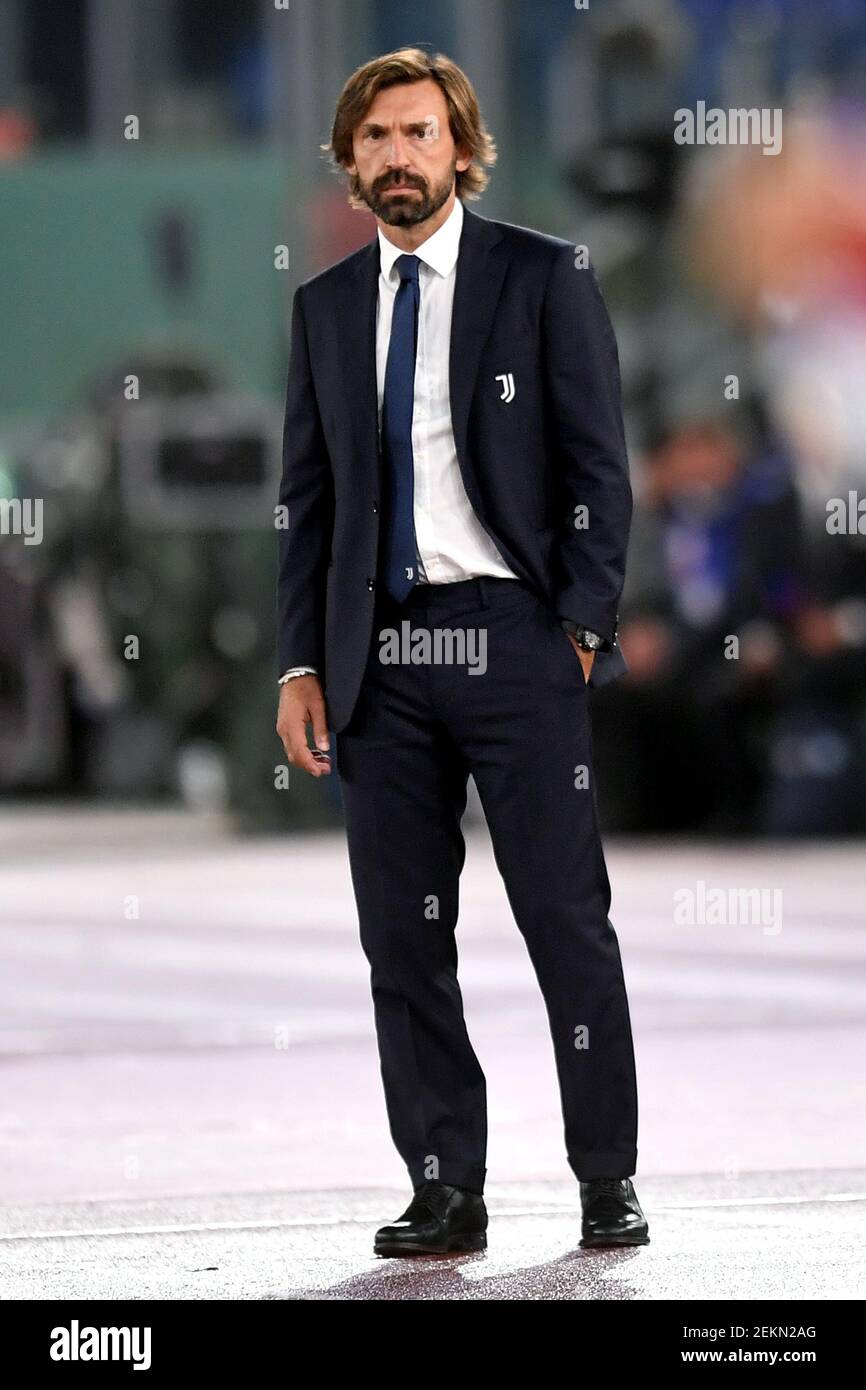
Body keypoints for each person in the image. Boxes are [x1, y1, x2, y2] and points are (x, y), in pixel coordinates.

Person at [275, 47, 648, 1256]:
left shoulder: (542, 278)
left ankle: (605, 1177)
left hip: (512, 641)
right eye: (374, 137)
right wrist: (298, 664)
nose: (396, 155)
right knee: (401, 936)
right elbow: (309, 503)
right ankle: (444, 1185)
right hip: (376, 662)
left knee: (562, 919)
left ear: (459, 148)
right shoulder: (324, 308)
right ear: (351, 161)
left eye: (418, 133)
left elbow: (598, 467)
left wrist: (581, 626)